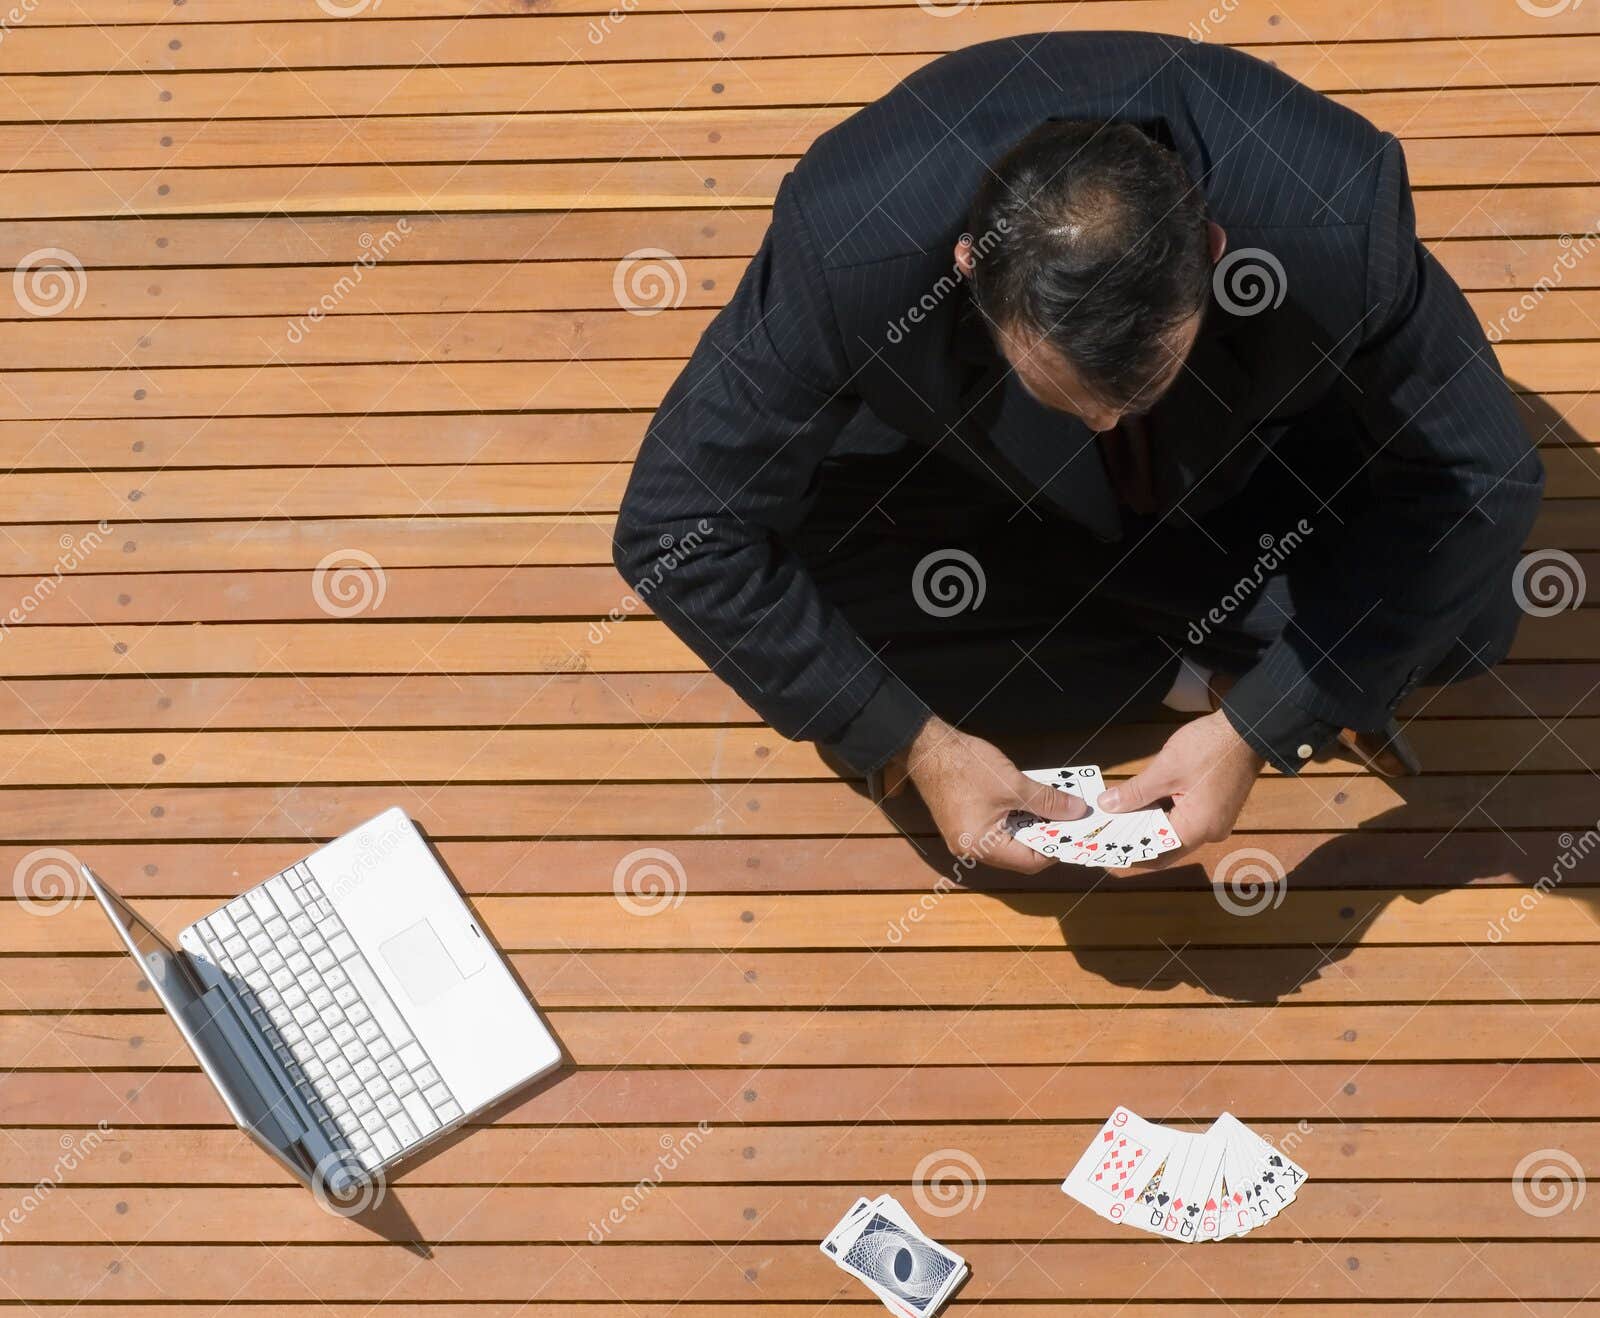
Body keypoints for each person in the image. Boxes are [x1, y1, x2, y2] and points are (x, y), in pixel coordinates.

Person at [613, 32, 1543, 874]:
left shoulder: (1338, 207)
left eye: (1139, 387)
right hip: (971, 485)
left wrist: (1264, 723)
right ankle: (1186, 670)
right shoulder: (850, 238)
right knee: (822, 639)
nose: (1103, 423)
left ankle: (1167, 667)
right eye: (1066, 390)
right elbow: (676, 524)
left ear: (1214, 250)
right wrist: (919, 747)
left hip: (1244, 481)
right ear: (971, 266)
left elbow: (1480, 479)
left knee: (1464, 628)